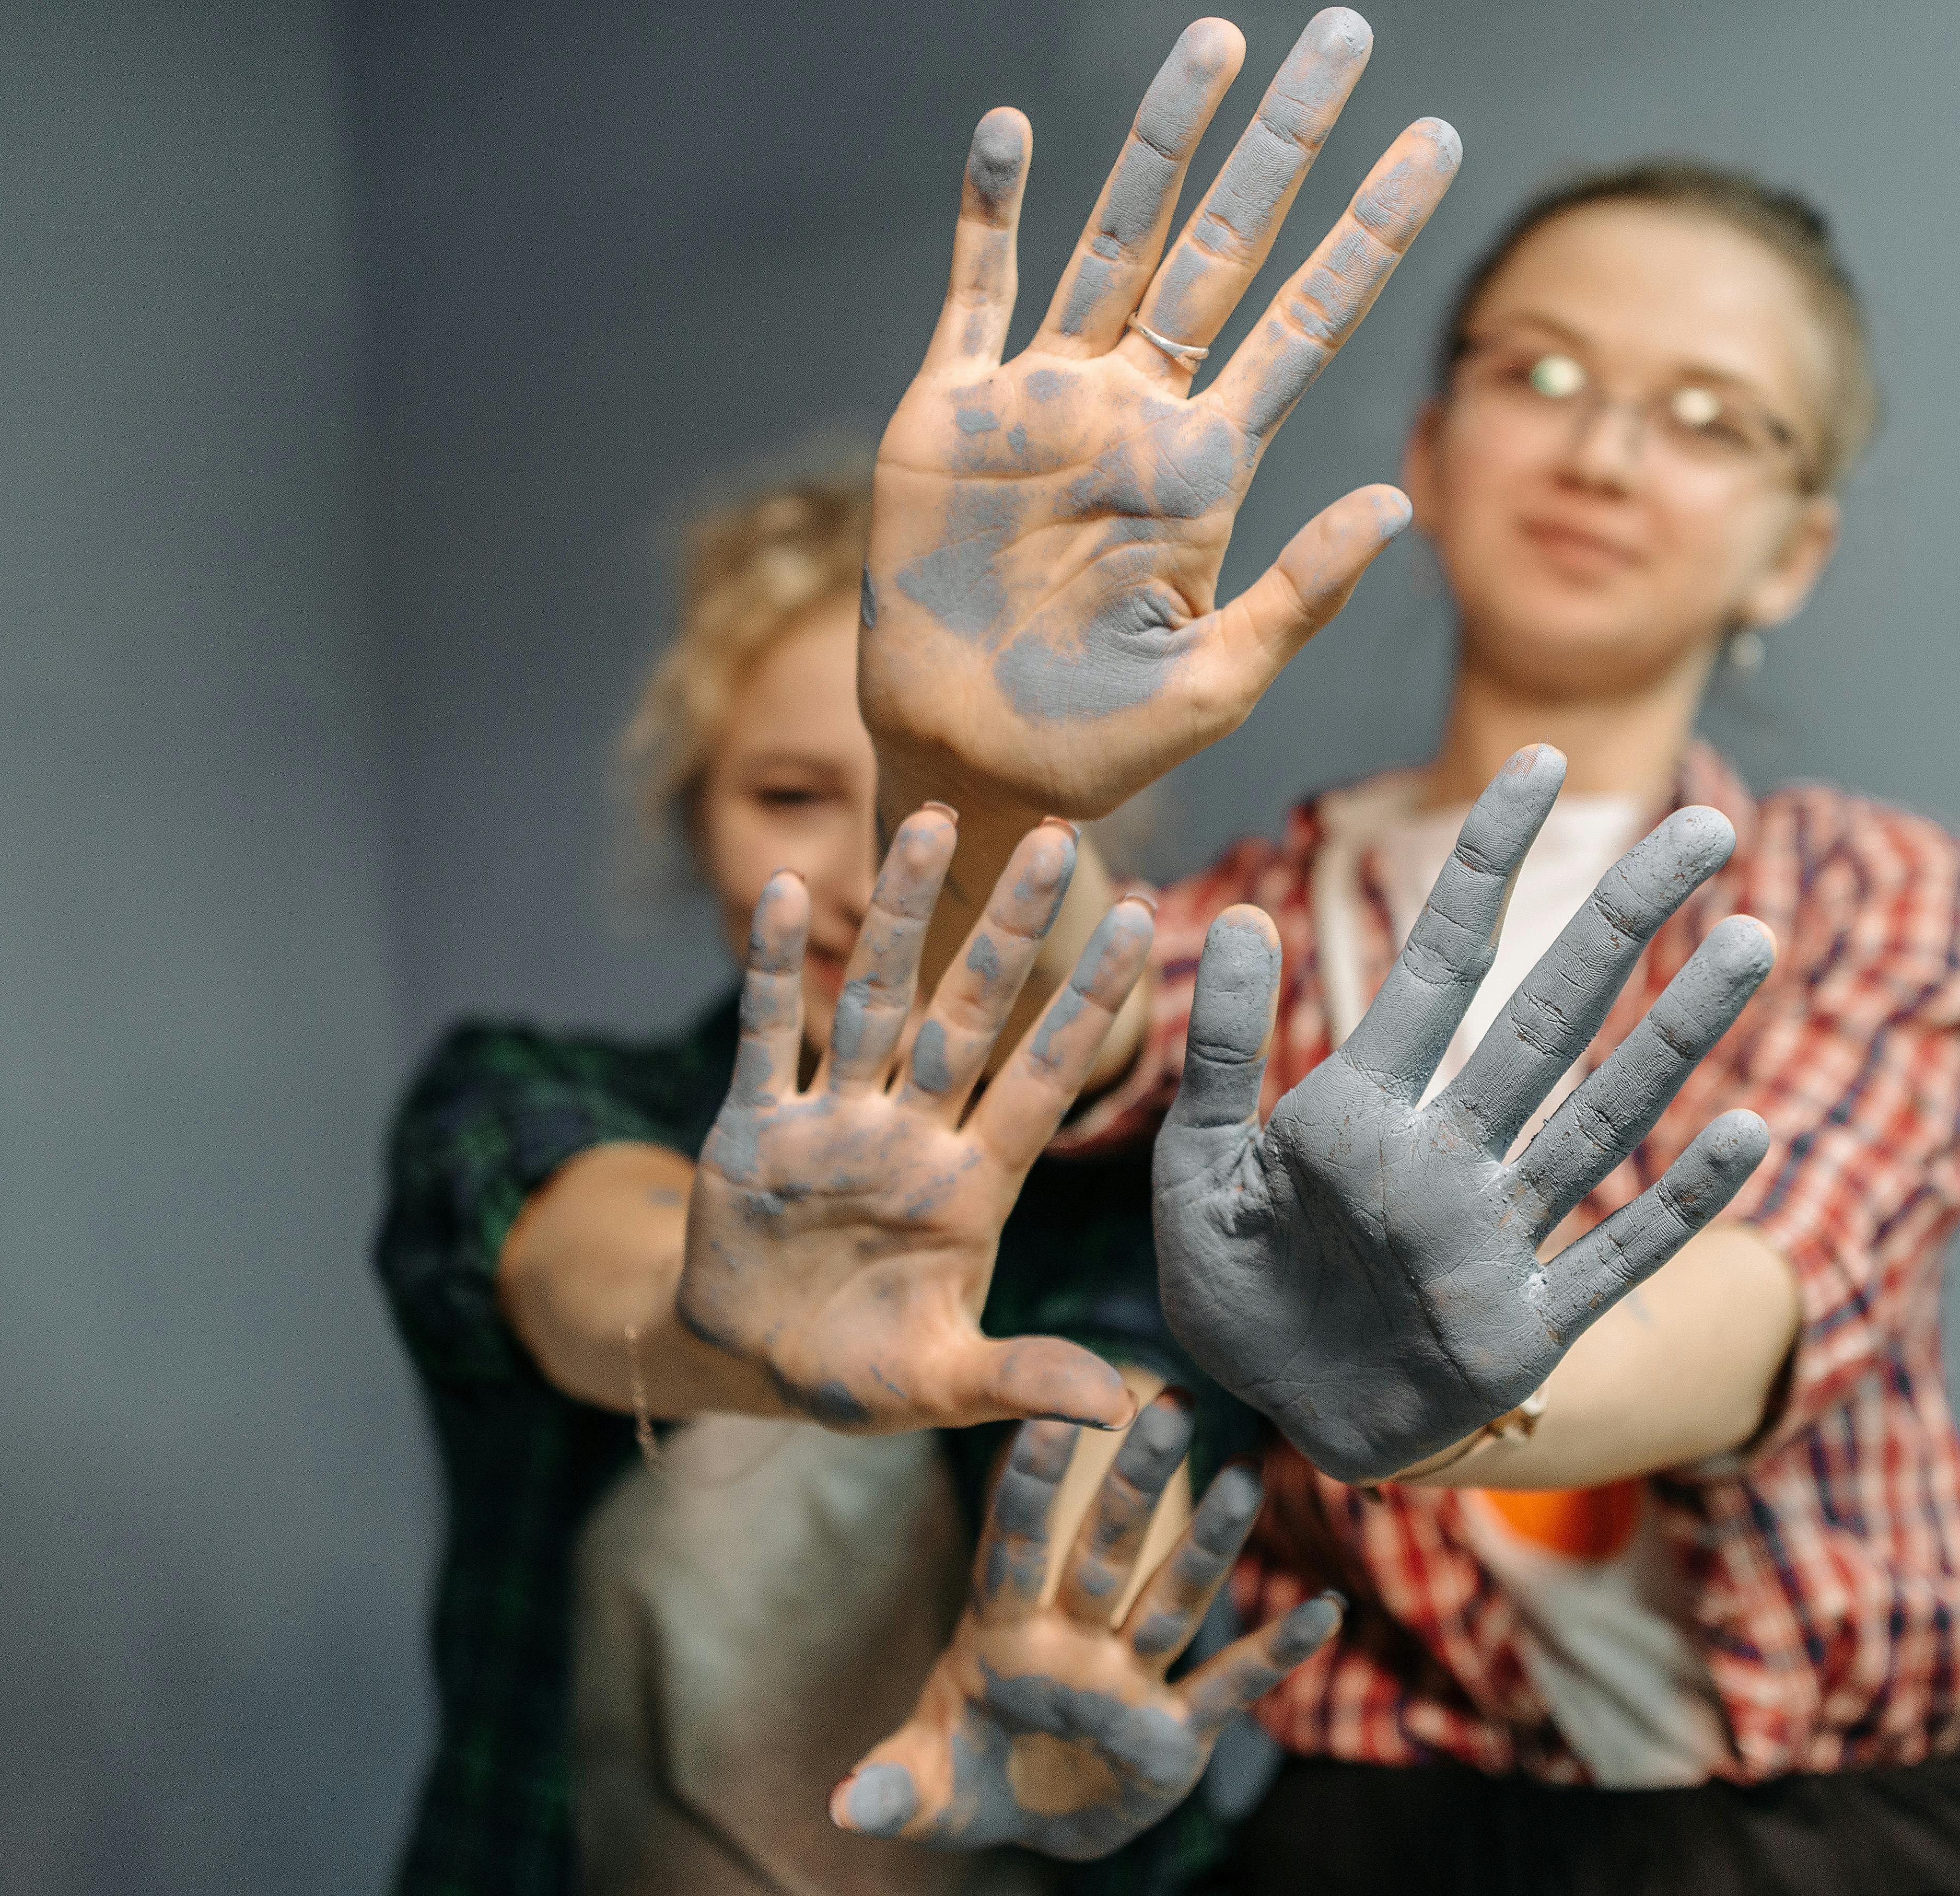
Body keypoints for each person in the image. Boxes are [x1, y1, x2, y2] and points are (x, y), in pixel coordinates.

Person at [850, 11, 1960, 1890]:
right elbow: (1043, 1020)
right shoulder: (1257, 911)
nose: (1603, 449)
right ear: (1431, 439)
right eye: (1543, 371)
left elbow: (1769, 1297)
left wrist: (1462, 1393)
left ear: (1790, 552)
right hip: (1387, 1837)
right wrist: (975, 767)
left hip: (1841, 1837)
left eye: (1710, 417)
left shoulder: (1879, 892)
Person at [372, 476, 1326, 1896]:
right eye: (788, 795)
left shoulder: (1163, 1186)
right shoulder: (526, 1093)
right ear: (693, 813)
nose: (873, 873)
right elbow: (582, 1261)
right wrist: (739, 1315)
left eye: (944, 807)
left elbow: (1119, 1413)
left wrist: (1063, 1651)